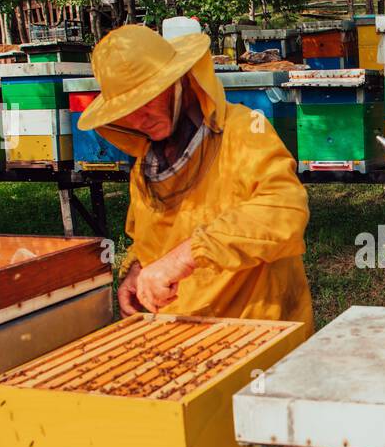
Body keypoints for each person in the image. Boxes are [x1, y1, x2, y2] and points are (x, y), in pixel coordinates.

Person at [76, 24, 313, 330]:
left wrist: (184, 257)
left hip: (255, 327)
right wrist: (136, 270)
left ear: (178, 82)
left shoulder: (242, 131)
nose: (138, 118)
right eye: (127, 109)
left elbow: (284, 212)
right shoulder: (146, 166)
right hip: (180, 333)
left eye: (147, 100)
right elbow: (148, 239)